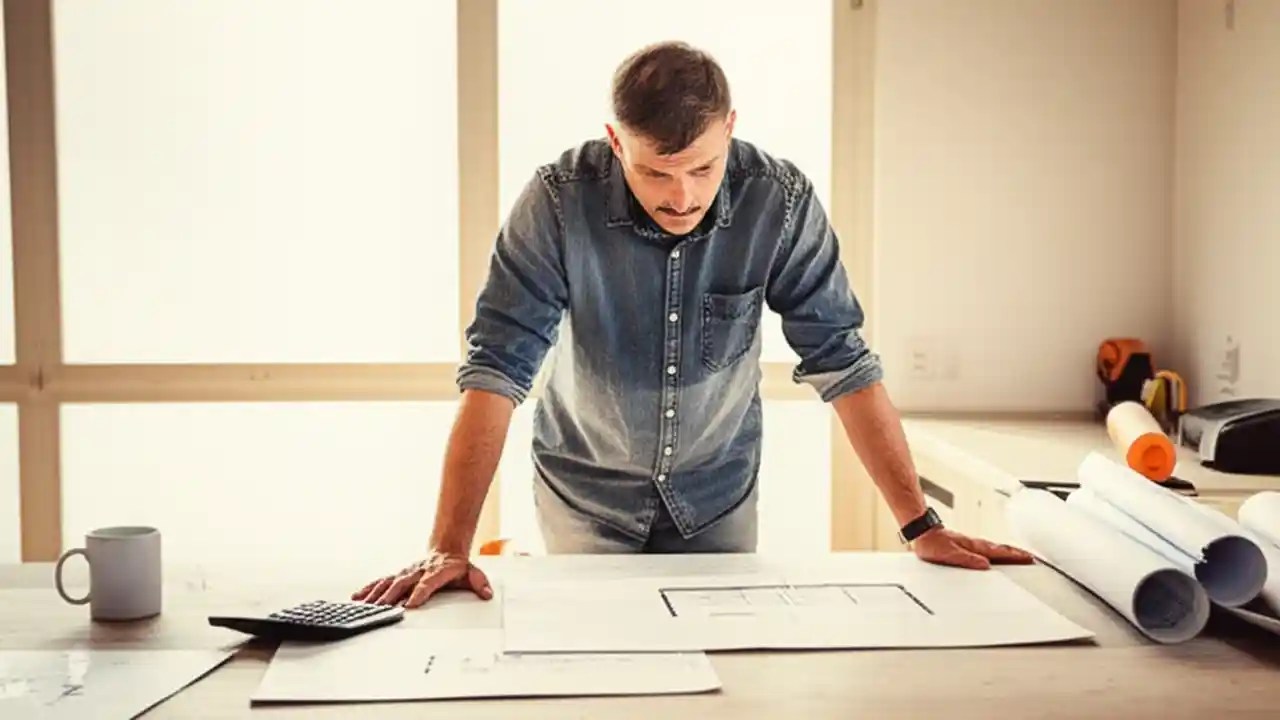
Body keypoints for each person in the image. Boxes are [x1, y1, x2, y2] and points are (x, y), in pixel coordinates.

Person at [352, 41, 1032, 609]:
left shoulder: (780, 202)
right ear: (615, 142)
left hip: (717, 496)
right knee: (601, 682)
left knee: (718, 685)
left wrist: (919, 525)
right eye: (656, 172)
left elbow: (844, 364)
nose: (683, 197)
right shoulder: (558, 203)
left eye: (703, 168)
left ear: (730, 129)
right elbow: (496, 372)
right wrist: (449, 545)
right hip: (585, 495)